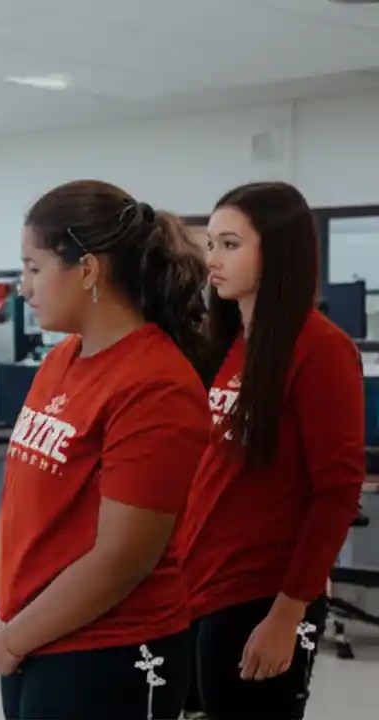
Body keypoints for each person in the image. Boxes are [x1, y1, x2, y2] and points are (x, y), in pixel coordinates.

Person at [0, 180, 213, 720]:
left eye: (33, 268)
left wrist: (11, 640)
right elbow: (20, 499)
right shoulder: (62, 360)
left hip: (108, 652)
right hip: (31, 638)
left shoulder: (157, 384)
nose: (23, 287)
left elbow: (121, 559)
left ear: (87, 269)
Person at [177, 182, 364, 720]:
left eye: (230, 245)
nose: (213, 260)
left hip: (262, 597)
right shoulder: (231, 342)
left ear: (279, 250)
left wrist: (288, 614)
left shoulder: (323, 350)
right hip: (201, 587)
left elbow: (337, 492)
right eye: (210, 244)